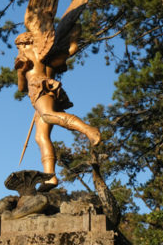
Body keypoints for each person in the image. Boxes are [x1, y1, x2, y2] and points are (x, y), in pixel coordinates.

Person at [15, 31, 101, 192]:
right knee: (40, 137)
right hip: (47, 90)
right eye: (19, 46)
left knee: (48, 116)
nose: (20, 48)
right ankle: (50, 176)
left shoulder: (28, 57)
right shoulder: (42, 56)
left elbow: (21, 87)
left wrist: (21, 71)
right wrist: (74, 35)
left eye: (20, 45)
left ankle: (88, 130)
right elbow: (70, 51)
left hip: (38, 88)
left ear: (27, 43)